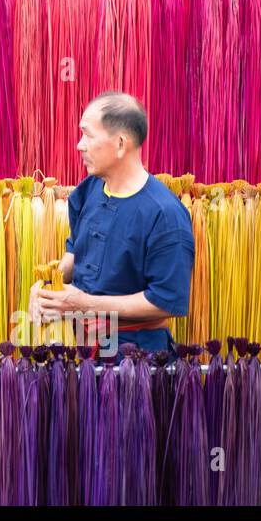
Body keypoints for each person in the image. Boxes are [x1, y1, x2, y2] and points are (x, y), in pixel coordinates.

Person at [31, 91, 194, 354]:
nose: (79, 145)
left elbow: (165, 301)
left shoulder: (165, 214)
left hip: (137, 359)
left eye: (88, 135)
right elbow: (75, 250)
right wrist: (46, 286)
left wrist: (85, 304)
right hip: (84, 352)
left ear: (120, 143)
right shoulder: (88, 191)